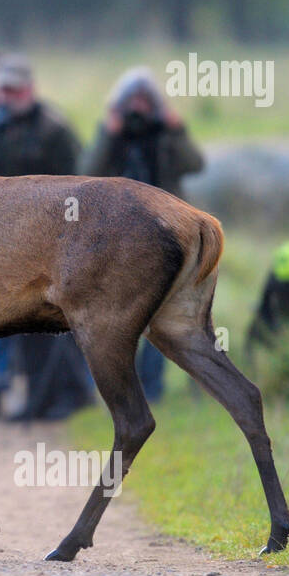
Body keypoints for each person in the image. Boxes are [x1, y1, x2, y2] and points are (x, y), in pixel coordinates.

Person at [0, 52, 89, 421]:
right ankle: (37, 400)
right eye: (3, 89)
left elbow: (85, 184)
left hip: (58, 239)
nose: (9, 96)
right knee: (26, 322)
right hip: (12, 243)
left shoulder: (55, 130)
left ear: (30, 89)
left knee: (64, 323)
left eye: (15, 90)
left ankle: (72, 396)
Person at [83, 67, 204, 402]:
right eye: (130, 102)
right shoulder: (113, 134)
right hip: (121, 237)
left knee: (161, 312)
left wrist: (175, 129)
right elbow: (89, 173)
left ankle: (155, 388)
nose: (137, 109)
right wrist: (110, 134)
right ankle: (123, 386)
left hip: (165, 230)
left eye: (143, 101)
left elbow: (195, 164)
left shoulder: (164, 133)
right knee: (120, 315)